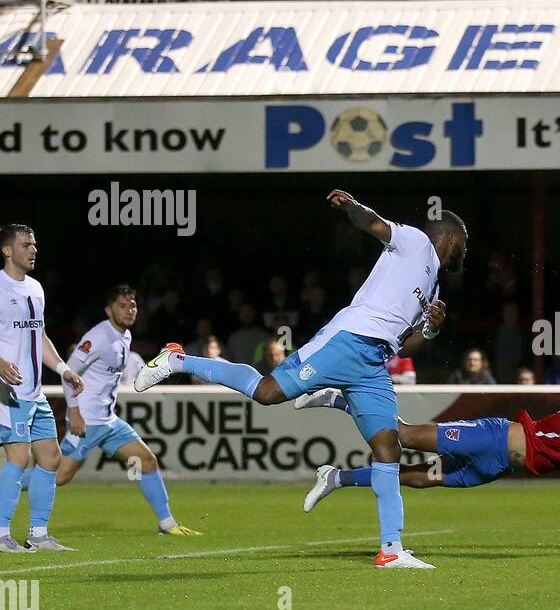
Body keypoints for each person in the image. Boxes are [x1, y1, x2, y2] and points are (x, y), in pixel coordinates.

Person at [136, 189, 467, 571]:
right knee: (267, 392)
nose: (465, 251)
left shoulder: (434, 286)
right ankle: (179, 360)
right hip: (348, 340)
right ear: (451, 236)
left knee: (389, 446)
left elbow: (407, 347)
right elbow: (375, 223)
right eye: (465, 242)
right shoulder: (417, 241)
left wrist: (431, 331)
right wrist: (352, 207)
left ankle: (391, 549)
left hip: (376, 362)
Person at [302, 373, 560, 551]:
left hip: (494, 467)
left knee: (417, 478)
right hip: (491, 437)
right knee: (405, 436)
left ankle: (336, 477)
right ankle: (343, 399)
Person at [0, 223, 85, 553]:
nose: (33, 250)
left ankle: (37, 535)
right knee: (19, 458)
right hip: (6, 391)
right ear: (7, 250)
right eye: (25, 245)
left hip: (33, 392)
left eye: (34, 244)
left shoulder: (35, 288)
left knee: (50, 458)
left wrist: (63, 369)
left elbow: (40, 336)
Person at [56, 285, 199, 536]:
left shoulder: (125, 335)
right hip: (87, 421)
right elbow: (68, 371)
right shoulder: (98, 336)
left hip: (108, 421)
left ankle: (167, 524)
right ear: (108, 310)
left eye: (132, 305)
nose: (129, 310)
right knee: (58, 477)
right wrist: (74, 411)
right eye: (122, 306)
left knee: (146, 460)